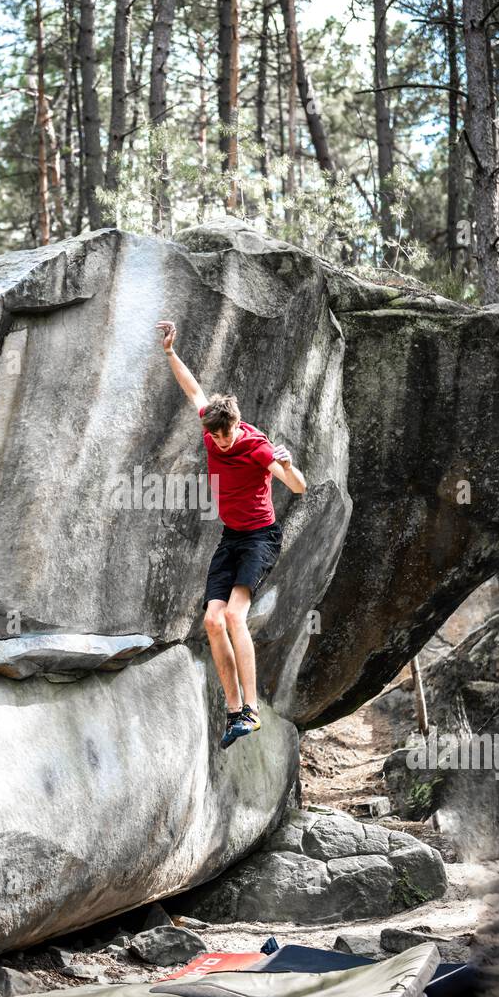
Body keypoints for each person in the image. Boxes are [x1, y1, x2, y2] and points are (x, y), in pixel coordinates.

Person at [157, 319, 307, 748]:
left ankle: (253, 710)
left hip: (261, 537)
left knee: (234, 616)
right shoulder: (210, 425)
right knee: (211, 619)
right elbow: (194, 392)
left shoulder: (257, 447)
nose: (221, 445)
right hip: (232, 536)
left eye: (225, 438)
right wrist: (170, 352)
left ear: (236, 426)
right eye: (215, 439)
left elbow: (298, 487)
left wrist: (290, 464)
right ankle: (234, 709)